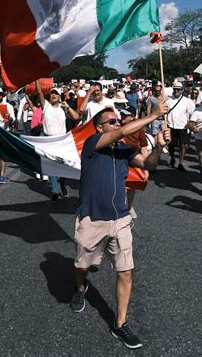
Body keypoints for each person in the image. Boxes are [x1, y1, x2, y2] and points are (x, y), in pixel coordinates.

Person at [71, 102, 170, 350]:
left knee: (125, 271)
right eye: (113, 121)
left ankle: (120, 324)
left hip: (121, 219)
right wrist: (155, 115)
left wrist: (158, 146)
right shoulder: (93, 144)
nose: (118, 124)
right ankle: (80, 286)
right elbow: (125, 132)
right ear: (101, 127)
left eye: (119, 120)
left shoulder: (124, 150)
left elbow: (149, 165)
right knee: (82, 264)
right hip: (93, 218)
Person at [36, 81, 79, 202]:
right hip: (48, 140)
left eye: (56, 94)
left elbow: (76, 117)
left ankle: (63, 184)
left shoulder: (63, 108)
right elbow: (39, 92)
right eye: (51, 94)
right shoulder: (46, 106)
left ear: (60, 96)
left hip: (61, 141)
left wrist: (68, 107)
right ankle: (55, 191)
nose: (53, 95)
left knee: (63, 166)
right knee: (51, 167)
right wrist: (37, 79)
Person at [120, 107, 148, 218]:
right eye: (121, 113)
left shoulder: (139, 129)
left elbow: (144, 148)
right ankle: (120, 208)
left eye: (125, 115)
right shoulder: (116, 126)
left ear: (132, 118)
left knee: (131, 186)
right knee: (120, 185)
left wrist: (145, 168)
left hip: (133, 160)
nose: (122, 116)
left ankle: (129, 207)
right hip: (119, 158)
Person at [166, 82, 195, 171]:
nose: (176, 91)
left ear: (182, 90)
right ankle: (172, 158)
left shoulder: (187, 101)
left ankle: (180, 163)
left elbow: (191, 113)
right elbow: (164, 113)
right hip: (171, 126)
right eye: (175, 89)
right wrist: (166, 120)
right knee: (171, 145)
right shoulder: (168, 100)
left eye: (178, 89)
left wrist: (189, 122)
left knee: (183, 145)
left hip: (183, 126)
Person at [0, 86, 15, 184]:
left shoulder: (8, 106)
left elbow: (13, 119)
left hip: (4, 132)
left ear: (2, 96)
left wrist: (9, 118)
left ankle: (2, 175)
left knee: (2, 155)